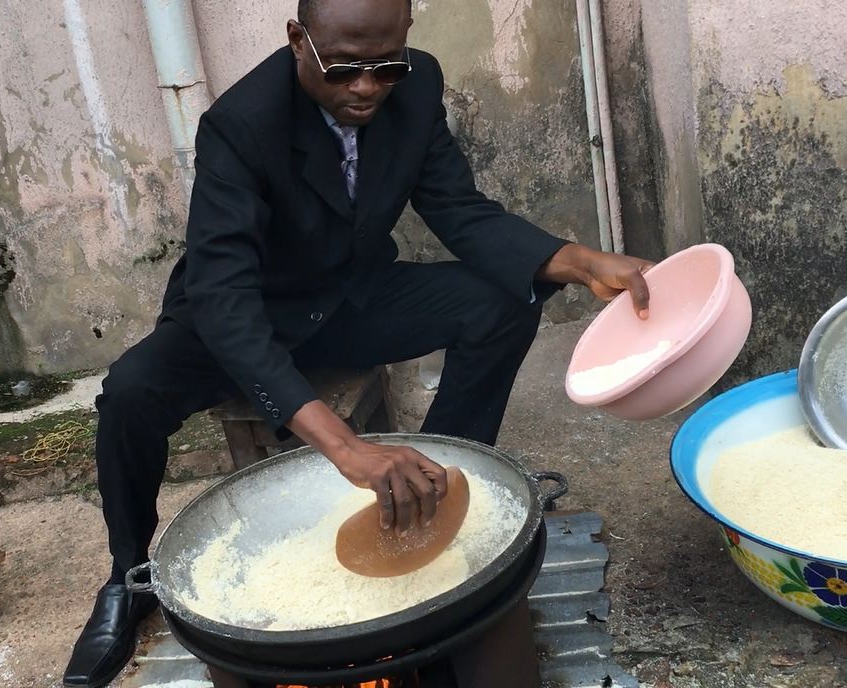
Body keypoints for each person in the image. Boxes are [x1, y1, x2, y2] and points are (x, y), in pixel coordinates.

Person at [62, 0, 652, 685]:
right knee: (129, 396)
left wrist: (583, 263)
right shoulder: (240, 125)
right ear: (297, 41)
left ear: (406, 41)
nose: (366, 87)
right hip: (246, 309)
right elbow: (224, 301)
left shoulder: (419, 84)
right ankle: (124, 581)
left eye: (385, 65)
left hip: (349, 297)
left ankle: (434, 486)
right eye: (343, 68)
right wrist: (347, 449)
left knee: (501, 300)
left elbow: (458, 210)